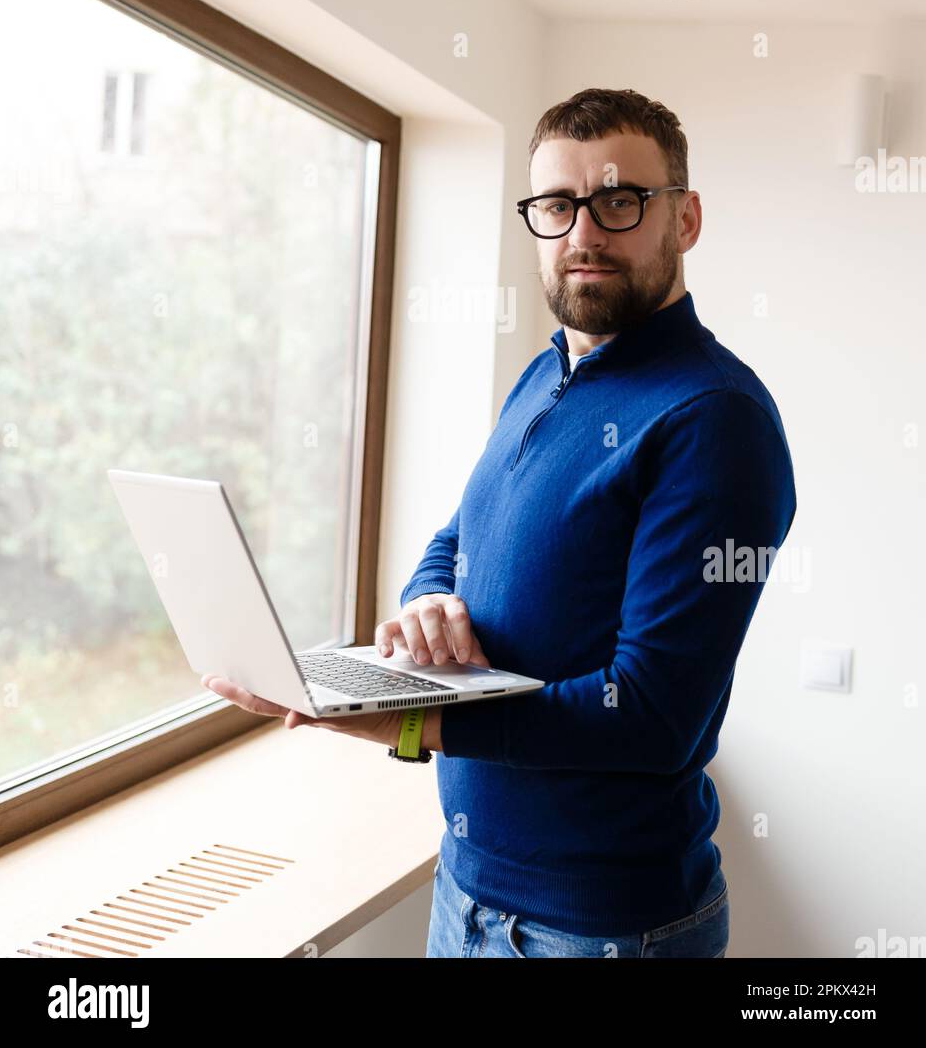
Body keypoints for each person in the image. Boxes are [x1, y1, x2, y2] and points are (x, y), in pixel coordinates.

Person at [204, 87, 797, 959]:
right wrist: (427, 603)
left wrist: (400, 719)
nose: (583, 234)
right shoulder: (548, 372)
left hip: (601, 930)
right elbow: (458, 536)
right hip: (470, 892)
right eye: (557, 206)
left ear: (686, 218)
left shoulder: (715, 418)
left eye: (619, 202)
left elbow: (651, 718)